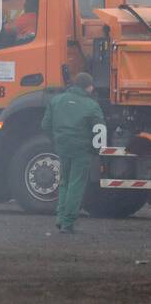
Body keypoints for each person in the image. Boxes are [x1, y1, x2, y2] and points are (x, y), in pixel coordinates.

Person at [41, 72, 104, 233]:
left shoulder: (56, 101)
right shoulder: (92, 105)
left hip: (62, 147)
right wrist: (96, 150)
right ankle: (68, 223)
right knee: (76, 184)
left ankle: (60, 218)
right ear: (88, 87)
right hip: (82, 150)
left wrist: (56, 140)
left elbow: (45, 125)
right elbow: (99, 130)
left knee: (64, 182)